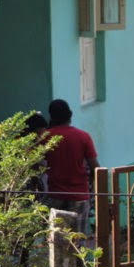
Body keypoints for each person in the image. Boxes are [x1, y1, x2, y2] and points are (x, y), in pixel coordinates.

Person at [43, 99, 99, 235]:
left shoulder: (46, 138)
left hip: (56, 194)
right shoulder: (83, 137)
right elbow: (95, 168)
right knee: (77, 240)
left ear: (51, 116)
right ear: (70, 115)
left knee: (56, 239)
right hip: (79, 195)